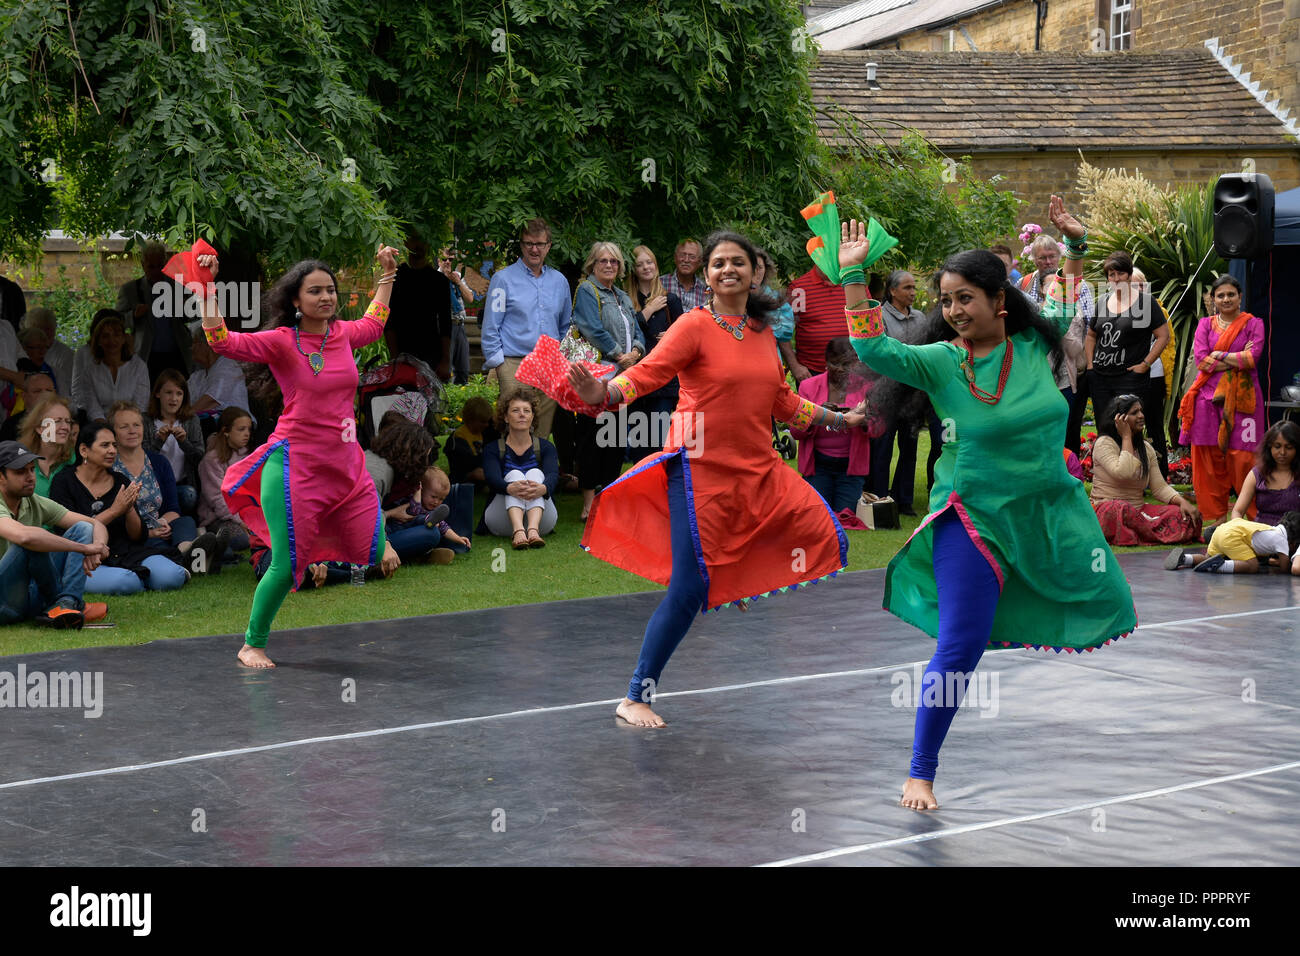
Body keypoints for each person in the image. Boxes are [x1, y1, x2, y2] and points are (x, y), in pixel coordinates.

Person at [839, 197, 1135, 811]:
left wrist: (1075, 245)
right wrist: (851, 278)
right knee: (961, 645)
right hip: (969, 517)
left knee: (1107, 595)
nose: (952, 310)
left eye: (963, 298)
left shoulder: (1036, 345)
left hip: (1045, 509)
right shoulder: (945, 363)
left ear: (999, 299)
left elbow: (1073, 299)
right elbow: (875, 352)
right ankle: (920, 772)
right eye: (944, 301)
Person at [562, 230, 864, 728]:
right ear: (706, 275)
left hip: (756, 469)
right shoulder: (694, 326)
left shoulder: (764, 331)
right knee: (688, 588)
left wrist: (836, 419)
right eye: (718, 263)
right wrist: (602, 394)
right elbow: (648, 374)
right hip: (697, 468)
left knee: (819, 525)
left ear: (753, 272)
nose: (728, 269)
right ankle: (636, 694)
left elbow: (782, 402)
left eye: (737, 262)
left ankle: (728, 581)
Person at [198, 248, 402, 668]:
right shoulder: (281, 342)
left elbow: (375, 322)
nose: (326, 297)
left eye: (330, 290)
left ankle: (320, 558)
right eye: (315, 291)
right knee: (287, 565)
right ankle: (252, 643)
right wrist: (207, 289)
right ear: (296, 300)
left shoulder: (345, 334)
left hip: (346, 465)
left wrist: (387, 275)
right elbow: (222, 341)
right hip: (295, 467)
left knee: (375, 546)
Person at [48, 422, 190, 594]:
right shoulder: (63, 482)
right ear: (84, 450)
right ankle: (136, 578)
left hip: (126, 551)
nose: (112, 450)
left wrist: (129, 509)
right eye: (105, 445)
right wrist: (114, 511)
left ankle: (145, 576)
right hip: (86, 557)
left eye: (114, 445)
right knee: (128, 582)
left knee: (171, 577)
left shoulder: (120, 480)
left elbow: (138, 536)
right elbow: (72, 531)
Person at [1178, 275, 1264, 528]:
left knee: (1244, 460)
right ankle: (1214, 522)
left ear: (1240, 297)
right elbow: (1202, 361)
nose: (1226, 299)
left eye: (1231, 294)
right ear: (1213, 300)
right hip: (1207, 399)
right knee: (1208, 461)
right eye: (1221, 295)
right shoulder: (1205, 325)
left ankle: (1254, 522)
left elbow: (1253, 358)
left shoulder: (1253, 323)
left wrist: (1219, 355)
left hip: (1243, 400)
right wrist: (1236, 356)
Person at [0, 439, 109, 627]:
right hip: (4, 603)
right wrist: (83, 548)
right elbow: (26, 537)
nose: (30, 476)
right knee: (30, 541)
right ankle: (64, 604)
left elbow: (94, 524)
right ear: (1, 477)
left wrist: (98, 547)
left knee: (83, 528)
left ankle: (66, 603)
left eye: (31, 469)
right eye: (20, 472)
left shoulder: (33, 501)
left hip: (29, 596)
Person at [572, 242, 645, 520]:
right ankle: (588, 502)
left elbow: (637, 328)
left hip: (623, 376)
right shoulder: (588, 291)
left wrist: (636, 351)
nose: (609, 266)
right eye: (603, 261)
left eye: (614, 262)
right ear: (593, 264)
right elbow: (591, 328)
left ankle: (608, 495)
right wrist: (619, 354)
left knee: (614, 438)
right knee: (592, 437)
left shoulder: (622, 296)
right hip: (598, 375)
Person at [480, 218, 571, 441]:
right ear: (521, 245)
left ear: (548, 246)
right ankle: (511, 473)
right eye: (529, 243)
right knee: (515, 428)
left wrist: (561, 360)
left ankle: (536, 472)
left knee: (542, 428)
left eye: (540, 244)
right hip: (514, 364)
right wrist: (499, 364)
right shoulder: (503, 279)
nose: (534, 249)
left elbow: (565, 325)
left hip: (549, 365)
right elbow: (491, 325)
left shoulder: (559, 281)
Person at [1087, 251, 1170, 473]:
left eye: (1120, 274)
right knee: (1105, 427)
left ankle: (1136, 476)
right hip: (1101, 377)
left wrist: (1145, 364)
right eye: (1110, 275)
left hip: (1130, 378)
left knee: (1132, 427)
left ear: (1129, 275)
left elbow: (1163, 336)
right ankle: (1108, 476)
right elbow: (1091, 334)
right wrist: (1089, 365)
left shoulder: (1145, 302)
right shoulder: (1103, 300)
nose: (1115, 279)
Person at [109, 401, 214, 572]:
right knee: (152, 545)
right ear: (113, 433)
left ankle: (186, 550)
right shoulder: (109, 466)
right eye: (124, 427)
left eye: (136, 425)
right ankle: (196, 558)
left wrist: (162, 522)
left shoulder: (159, 462)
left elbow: (173, 508)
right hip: (131, 535)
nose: (132, 430)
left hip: (161, 528)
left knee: (185, 521)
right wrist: (148, 532)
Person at [872, 270, 942, 514]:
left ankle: (904, 500)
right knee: (883, 446)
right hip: (887, 390)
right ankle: (879, 498)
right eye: (907, 288)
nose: (913, 292)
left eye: (914, 288)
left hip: (914, 392)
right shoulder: (879, 316)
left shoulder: (920, 317)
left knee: (909, 446)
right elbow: (881, 353)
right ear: (892, 291)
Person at [1090, 394, 1200, 545]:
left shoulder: (1146, 448)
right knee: (1119, 509)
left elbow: (1159, 487)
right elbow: (1124, 473)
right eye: (1134, 413)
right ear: (1119, 419)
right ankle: (1149, 532)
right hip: (1107, 507)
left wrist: (1182, 502)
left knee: (1182, 515)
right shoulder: (1104, 443)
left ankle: (1139, 532)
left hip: (1139, 511)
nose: (1141, 415)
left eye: (1141, 411)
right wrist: (1126, 437)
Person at [789, 337, 880, 512]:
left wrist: (861, 419)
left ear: (855, 363)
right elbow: (796, 432)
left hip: (850, 468)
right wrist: (816, 414)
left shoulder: (866, 387)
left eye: (846, 365)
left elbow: (878, 429)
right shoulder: (808, 387)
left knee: (846, 515)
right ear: (826, 362)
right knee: (818, 514)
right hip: (818, 466)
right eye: (834, 363)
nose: (840, 369)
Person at [1021, 234, 1093, 454]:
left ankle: (1070, 469)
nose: (1048, 262)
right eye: (1042, 258)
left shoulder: (1078, 286)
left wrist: (1088, 364)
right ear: (1034, 259)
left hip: (1072, 371)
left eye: (1052, 256)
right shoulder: (1025, 285)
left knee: (1070, 425)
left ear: (1060, 256)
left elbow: (1090, 326)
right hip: (1036, 373)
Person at [625, 245, 684, 457]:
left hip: (662, 380)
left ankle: (660, 483)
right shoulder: (626, 300)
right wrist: (648, 311)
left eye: (649, 262)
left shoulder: (671, 300)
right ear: (633, 270)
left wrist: (670, 337)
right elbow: (627, 331)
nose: (645, 267)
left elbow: (685, 337)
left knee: (658, 439)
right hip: (635, 376)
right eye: (640, 264)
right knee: (639, 443)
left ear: (656, 266)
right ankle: (640, 484)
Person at [482, 387, 559, 547]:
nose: (522, 414)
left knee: (535, 473)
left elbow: (553, 475)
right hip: (502, 521)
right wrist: (510, 488)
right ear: (506, 417)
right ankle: (518, 531)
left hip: (542, 522)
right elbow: (492, 479)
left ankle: (532, 530)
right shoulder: (493, 448)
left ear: (532, 417)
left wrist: (542, 489)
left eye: (527, 411)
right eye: (516, 410)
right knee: (515, 475)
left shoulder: (545, 447)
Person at [372, 417, 450, 563]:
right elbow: (370, 518)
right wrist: (387, 544)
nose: (425, 462)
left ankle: (414, 553)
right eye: (424, 456)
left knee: (430, 531)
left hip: (388, 527)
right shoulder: (379, 473)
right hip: (368, 534)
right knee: (431, 535)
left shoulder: (398, 472)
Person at [116, 242, 194, 381]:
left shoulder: (179, 286)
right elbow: (117, 322)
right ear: (142, 265)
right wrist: (133, 316)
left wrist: (186, 308)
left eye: (160, 266)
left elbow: (193, 317)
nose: (156, 271)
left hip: (178, 353)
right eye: (151, 266)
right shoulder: (131, 290)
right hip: (146, 355)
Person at [386, 237, 453, 382]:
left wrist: (445, 360)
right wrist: (394, 358)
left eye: (423, 240)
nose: (418, 245)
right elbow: (389, 322)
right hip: (402, 354)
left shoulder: (439, 281)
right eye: (414, 239)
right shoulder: (396, 278)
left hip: (432, 356)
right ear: (405, 243)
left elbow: (445, 324)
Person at [71, 310, 151, 420]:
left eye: (117, 335)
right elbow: (93, 409)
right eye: (105, 336)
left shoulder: (138, 367)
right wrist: (105, 428)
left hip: (133, 421)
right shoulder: (90, 370)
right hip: (101, 423)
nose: (111, 340)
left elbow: (141, 405)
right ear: (98, 341)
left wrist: (124, 426)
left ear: (123, 338)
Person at [144, 369, 205, 516]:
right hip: (153, 487)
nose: (174, 398)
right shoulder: (145, 420)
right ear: (157, 394)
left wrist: (184, 442)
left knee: (189, 495)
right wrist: (159, 441)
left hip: (182, 486)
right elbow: (140, 459)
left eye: (179, 393)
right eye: (168, 392)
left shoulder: (191, 421)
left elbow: (199, 458)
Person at [1165, 510, 1300, 575]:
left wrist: (1272, 562)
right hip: (1231, 537)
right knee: (1253, 566)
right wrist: (1282, 563)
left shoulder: (1269, 529)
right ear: (1293, 542)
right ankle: (1220, 566)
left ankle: (1186, 559)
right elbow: (1284, 568)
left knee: (1207, 558)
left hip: (1221, 530)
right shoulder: (1282, 541)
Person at [197, 406, 253, 560]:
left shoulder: (249, 456)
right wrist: (242, 522)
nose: (247, 434)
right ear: (226, 431)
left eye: (248, 429)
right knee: (243, 540)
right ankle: (206, 538)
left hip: (245, 516)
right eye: (241, 429)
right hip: (218, 518)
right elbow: (217, 499)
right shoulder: (211, 460)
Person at [385, 466, 469, 564]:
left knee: (434, 530)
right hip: (390, 530)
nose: (436, 502)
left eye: (441, 499)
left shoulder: (430, 511)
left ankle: (417, 555)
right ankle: (420, 554)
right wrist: (417, 491)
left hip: (407, 534)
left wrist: (458, 538)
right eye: (433, 497)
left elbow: (444, 527)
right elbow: (414, 510)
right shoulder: (411, 500)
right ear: (422, 489)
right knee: (421, 518)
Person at [787, 262, 850, 381]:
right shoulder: (798, 289)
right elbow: (782, 331)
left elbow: (869, 325)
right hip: (813, 372)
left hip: (851, 370)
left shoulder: (853, 284)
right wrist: (795, 366)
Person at [1230, 421, 1300, 526]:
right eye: (1277, 446)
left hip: (1294, 538)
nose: (1282, 452)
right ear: (1269, 447)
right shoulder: (1257, 474)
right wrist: (1238, 527)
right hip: (1261, 535)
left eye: (1289, 448)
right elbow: (1237, 511)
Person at [187, 327, 252, 425]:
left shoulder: (228, 365)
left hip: (235, 427)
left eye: (195, 343)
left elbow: (212, 400)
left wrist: (180, 419)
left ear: (208, 345)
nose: (191, 348)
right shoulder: (197, 376)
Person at [18, 394, 76, 496]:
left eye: (68, 421)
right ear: (40, 428)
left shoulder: (77, 460)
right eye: (57, 421)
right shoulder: (20, 461)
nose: (65, 427)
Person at [439, 247, 477, 385]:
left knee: (463, 368)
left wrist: (458, 282)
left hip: (459, 325)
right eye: (444, 259)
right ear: (438, 261)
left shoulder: (458, 276)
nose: (447, 262)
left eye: (451, 260)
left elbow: (470, 298)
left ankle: (460, 396)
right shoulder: (434, 278)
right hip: (444, 327)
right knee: (446, 369)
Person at [18, 308, 75, 394]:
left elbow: (67, 393)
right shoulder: (17, 361)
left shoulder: (65, 356)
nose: (44, 333)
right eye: (39, 329)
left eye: (48, 328)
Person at [444, 396, 495, 487]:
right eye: (483, 422)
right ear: (471, 420)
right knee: (479, 473)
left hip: (480, 471)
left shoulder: (482, 432)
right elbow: (462, 466)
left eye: (488, 421)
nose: (487, 425)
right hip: (461, 478)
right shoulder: (458, 438)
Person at [0, 373, 55, 443]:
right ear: (24, 396)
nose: (44, 394)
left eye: (49, 390)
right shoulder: (10, 426)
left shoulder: (66, 422)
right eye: (37, 391)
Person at [659, 238, 709, 312]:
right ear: (675, 258)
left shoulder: (705, 290)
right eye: (682, 255)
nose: (686, 260)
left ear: (700, 261)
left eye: (692, 257)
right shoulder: (660, 283)